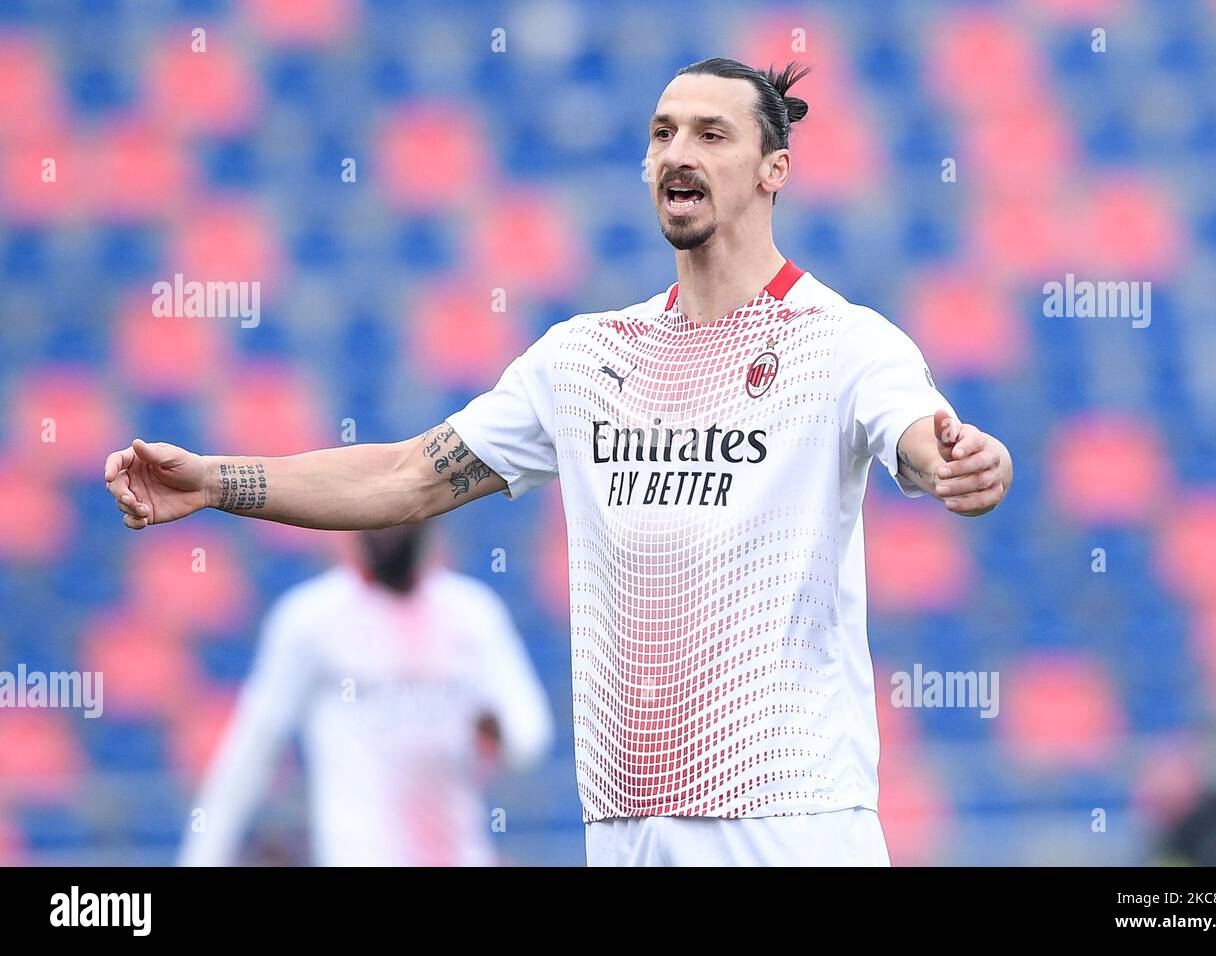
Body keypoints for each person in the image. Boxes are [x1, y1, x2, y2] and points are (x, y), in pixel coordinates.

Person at [106, 57, 1013, 866]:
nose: (677, 152)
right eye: (662, 134)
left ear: (775, 168)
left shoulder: (843, 342)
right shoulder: (583, 360)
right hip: (625, 822)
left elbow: (918, 434)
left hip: (787, 818)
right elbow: (405, 477)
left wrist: (961, 462)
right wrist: (218, 482)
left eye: (711, 134)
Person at [176, 524, 554, 866]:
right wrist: (204, 855)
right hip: (361, 852)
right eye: (377, 520)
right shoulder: (313, 618)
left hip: (459, 852)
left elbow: (530, 734)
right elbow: (254, 746)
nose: (389, 534)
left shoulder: (472, 613)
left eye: (402, 520)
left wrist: (497, 732)